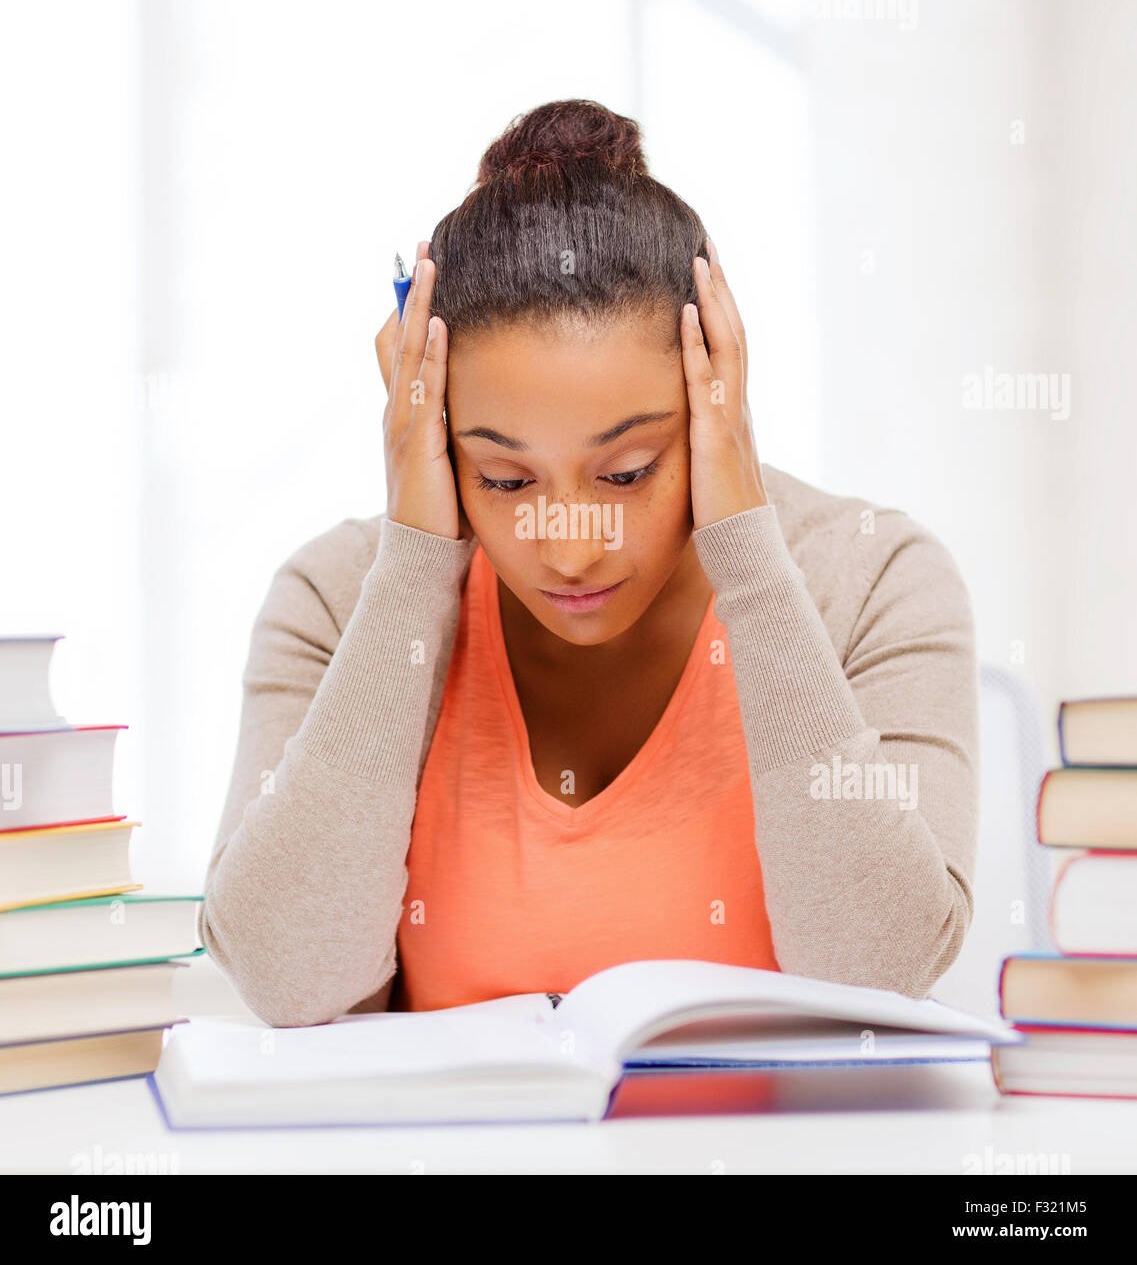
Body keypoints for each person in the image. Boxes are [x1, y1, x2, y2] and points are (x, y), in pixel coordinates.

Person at [200, 99, 979, 1026]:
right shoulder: (335, 601)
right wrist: (413, 570)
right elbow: (291, 981)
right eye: (503, 479)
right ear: (436, 439)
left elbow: (878, 971)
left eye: (625, 471)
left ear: (713, 405)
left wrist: (749, 555)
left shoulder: (874, 578)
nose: (569, 550)